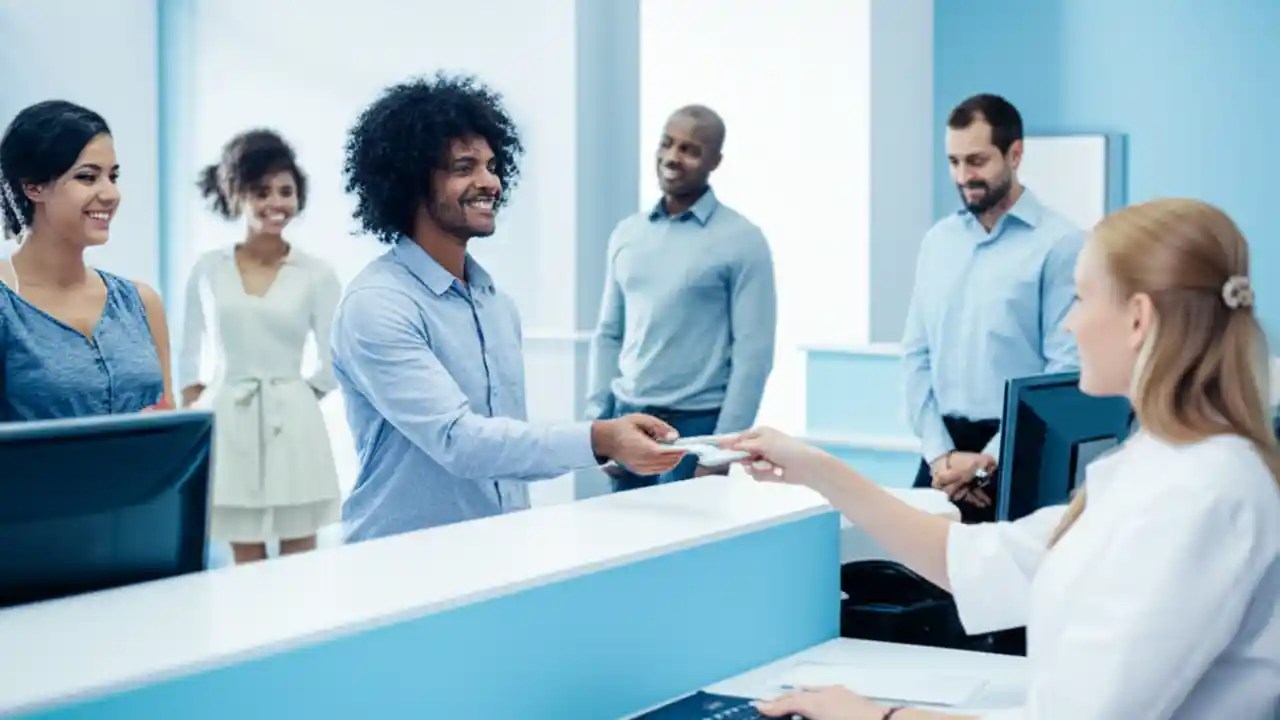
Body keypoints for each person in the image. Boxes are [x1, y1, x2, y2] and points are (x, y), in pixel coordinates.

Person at [730, 198, 1280, 719]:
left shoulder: (1202, 490)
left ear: (1137, 319)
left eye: (1082, 299)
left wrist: (879, 715)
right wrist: (815, 469)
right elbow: (980, 559)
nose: (1069, 324)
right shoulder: (1157, 462)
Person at [333, 73, 687, 543]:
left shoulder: (496, 304)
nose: (490, 182)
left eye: (492, 165)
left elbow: (505, 446)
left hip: (498, 552)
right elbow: (460, 442)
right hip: (403, 560)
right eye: (465, 167)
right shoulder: (377, 306)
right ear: (412, 182)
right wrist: (600, 438)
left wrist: (603, 443)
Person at [903, 94, 1083, 522]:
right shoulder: (937, 242)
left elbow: (1064, 369)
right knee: (901, 579)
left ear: (1015, 154)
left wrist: (987, 462)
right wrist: (940, 455)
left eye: (977, 161)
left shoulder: (1061, 244)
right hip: (942, 453)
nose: (964, 175)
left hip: (1020, 444)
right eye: (953, 162)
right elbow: (915, 355)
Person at [585, 104, 776, 492]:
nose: (673, 157)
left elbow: (753, 353)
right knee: (627, 547)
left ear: (714, 160)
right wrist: (598, 423)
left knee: (690, 547)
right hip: (629, 422)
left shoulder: (742, 239)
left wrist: (723, 450)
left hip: (695, 430)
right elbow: (608, 333)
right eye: (667, 144)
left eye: (690, 149)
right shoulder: (627, 233)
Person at [178, 130, 341, 564]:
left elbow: (333, 358)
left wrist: (300, 395)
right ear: (237, 195)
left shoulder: (316, 274)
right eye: (262, 191)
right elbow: (188, 354)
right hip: (228, 421)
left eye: (286, 191)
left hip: (294, 425)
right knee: (245, 563)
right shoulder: (209, 269)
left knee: (299, 564)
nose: (276, 203)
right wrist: (199, 406)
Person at [0, 100, 172, 420]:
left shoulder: (141, 303)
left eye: (113, 176)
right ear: (33, 186)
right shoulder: (6, 306)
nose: (110, 194)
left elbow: (171, 430)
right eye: (88, 177)